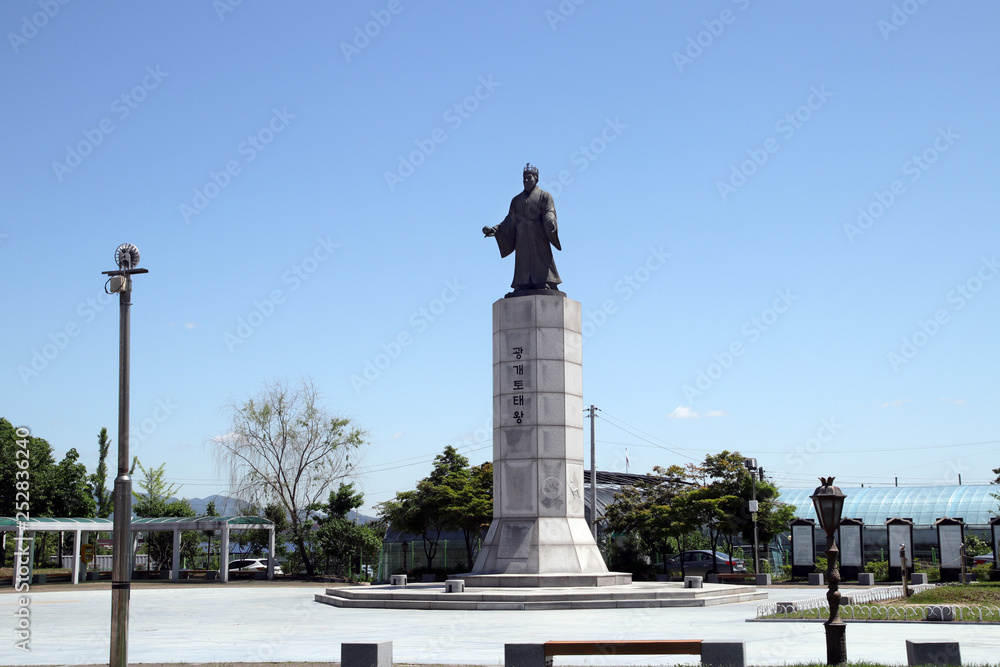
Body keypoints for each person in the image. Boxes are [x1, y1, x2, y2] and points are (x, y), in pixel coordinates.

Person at [483, 163, 562, 293]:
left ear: (536, 179)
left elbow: (550, 211)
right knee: (523, 260)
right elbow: (509, 220)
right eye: (524, 179)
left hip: (538, 234)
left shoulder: (544, 196)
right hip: (522, 237)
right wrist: (496, 229)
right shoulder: (516, 200)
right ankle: (522, 283)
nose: (526, 181)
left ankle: (544, 281)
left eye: (529, 178)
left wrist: (550, 220)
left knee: (541, 257)